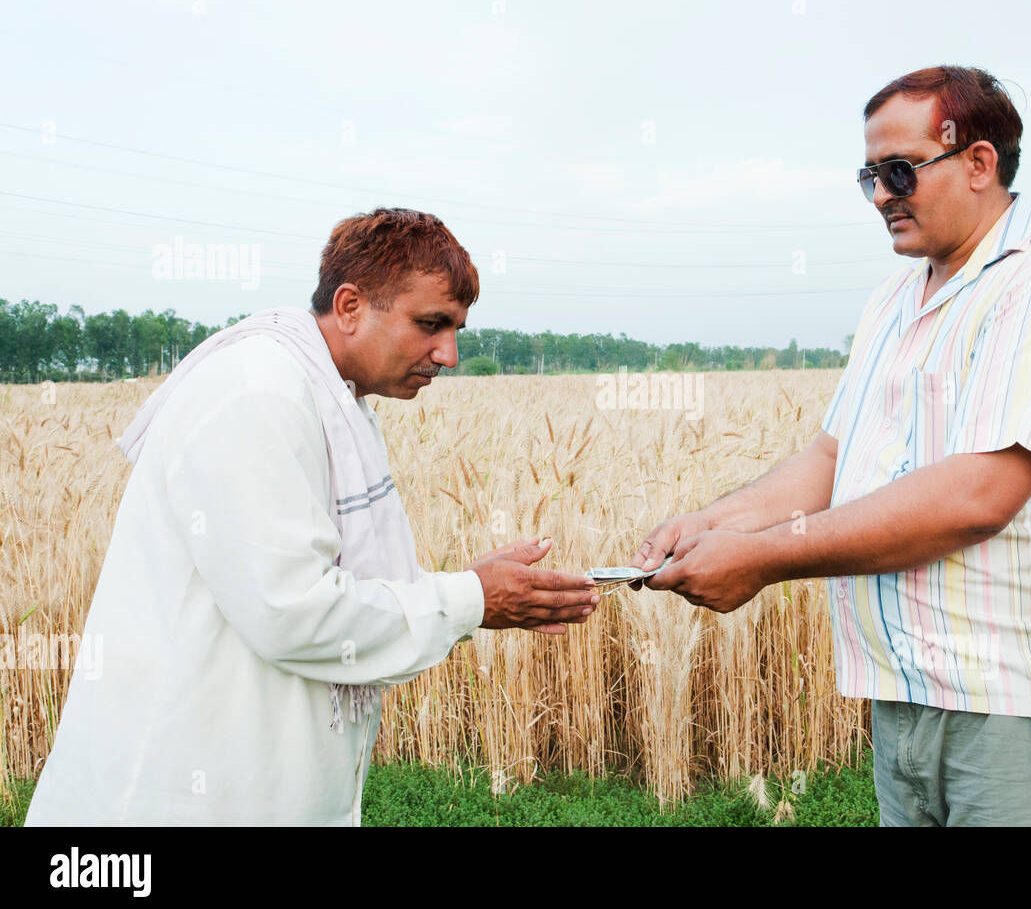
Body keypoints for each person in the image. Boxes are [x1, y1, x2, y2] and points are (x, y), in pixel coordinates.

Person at [632, 66, 1031, 827]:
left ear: (979, 163)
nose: (882, 194)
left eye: (900, 170)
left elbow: (979, 493)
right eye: (869, 175)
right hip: (907, 702)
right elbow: (829, 460)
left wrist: (763, 558)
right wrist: (718, 525)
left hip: (1030, 708)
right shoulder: (894, 298)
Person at [25, 207, 600, 826]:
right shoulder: (257, 393)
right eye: (431, 323)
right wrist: (471, 600)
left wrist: (471, 590)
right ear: (350, 306)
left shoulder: (329, 394)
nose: (450, 353)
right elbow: (290, 609)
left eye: (456, 328)